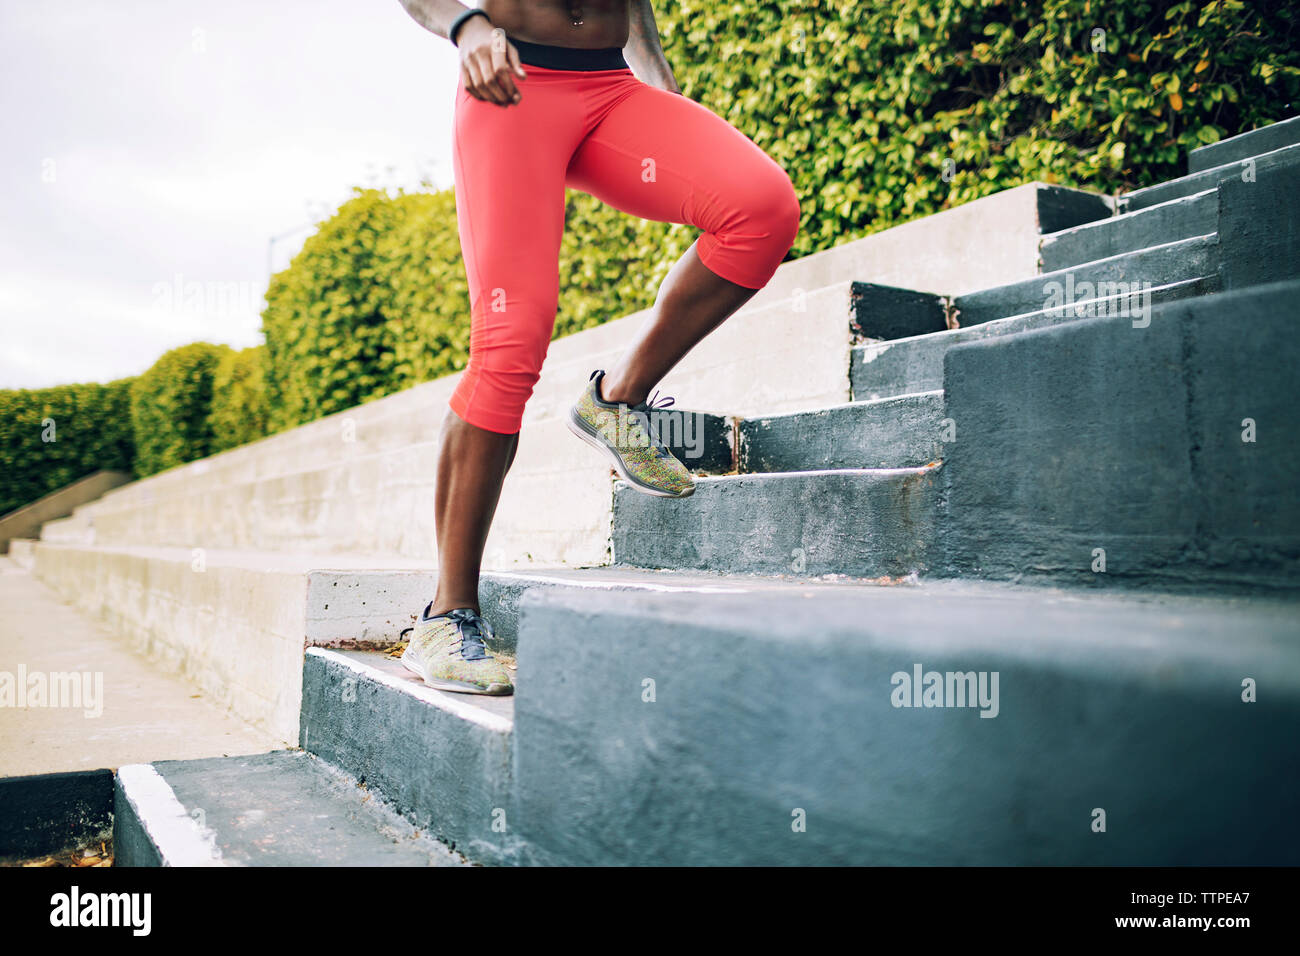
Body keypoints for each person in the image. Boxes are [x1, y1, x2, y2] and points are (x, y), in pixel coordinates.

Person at [395, 0, 801, 695]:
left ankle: (615, 400)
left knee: (760, 209)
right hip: (511, 81)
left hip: (613, 87)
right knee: (511, 341)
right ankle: (447, 613)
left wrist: (661, 86)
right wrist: (468, 26)